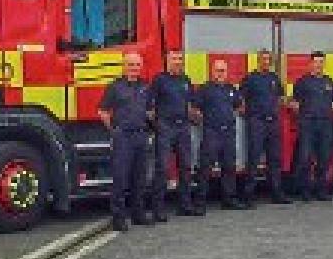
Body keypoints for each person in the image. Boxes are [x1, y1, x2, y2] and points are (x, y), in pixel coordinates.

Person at [97, 51, 155, 231]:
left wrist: (149, 122)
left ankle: (138, 214)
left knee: (140, 178)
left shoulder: (145, 87)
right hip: (123, 137)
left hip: (141, 136)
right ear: (124, 66)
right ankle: (118, 218)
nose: (134, 69)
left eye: (137, 65)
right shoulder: (114, 87)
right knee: (120, 179)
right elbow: (103, 112)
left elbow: (150, 110)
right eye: (131, 65)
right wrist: (115, 130)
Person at [193, 59, 249, 212]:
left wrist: (233, 115)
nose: (220, 74)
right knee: (205, 169)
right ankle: (200, 202)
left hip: (228, 133)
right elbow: (195, 108)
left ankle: (228, 199)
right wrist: (200, 118)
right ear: (212, 72)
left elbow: (240, 105)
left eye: (223, 71)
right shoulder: (205, 89)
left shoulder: (231, 88)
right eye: (218, 71)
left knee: (229, 167)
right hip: (212, 132)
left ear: (226, 72)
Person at [150, 49, 198, 221]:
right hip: (166, 128)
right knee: (162, 168)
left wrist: (195, 117)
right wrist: (158, 125)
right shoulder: (159, 80)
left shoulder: (185, 80)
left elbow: (191, 104)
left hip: (183, 127)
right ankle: (158, 209)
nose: (178, 62)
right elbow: (150, 106)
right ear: (167, 61)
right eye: (174, 59)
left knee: (185, 167)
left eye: (180, 58)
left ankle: (184, 205)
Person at [240, 50, 291, 205]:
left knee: (274, 159)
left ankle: (276, 193)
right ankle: (248, 195)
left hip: (273, 123)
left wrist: (286, 103)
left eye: (268, 60)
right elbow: (241, 99)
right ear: (258, 61)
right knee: (254, 159)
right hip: (257, 122)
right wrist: (248, 114)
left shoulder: (274, 78)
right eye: (263, 59)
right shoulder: (250, 78)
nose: (266, 62)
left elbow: (281, 97)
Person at [291, 51, 333, 202]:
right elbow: (294, 103)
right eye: (316, 62)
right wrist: (303, 116)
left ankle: (321, 190)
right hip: (308, 125)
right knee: (306, 158)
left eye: (321, 62)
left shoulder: (329, 81)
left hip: (325, 124)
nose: (319, 65)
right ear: (310, 63)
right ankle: (305, 191)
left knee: (324, 158)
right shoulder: (302, 82)